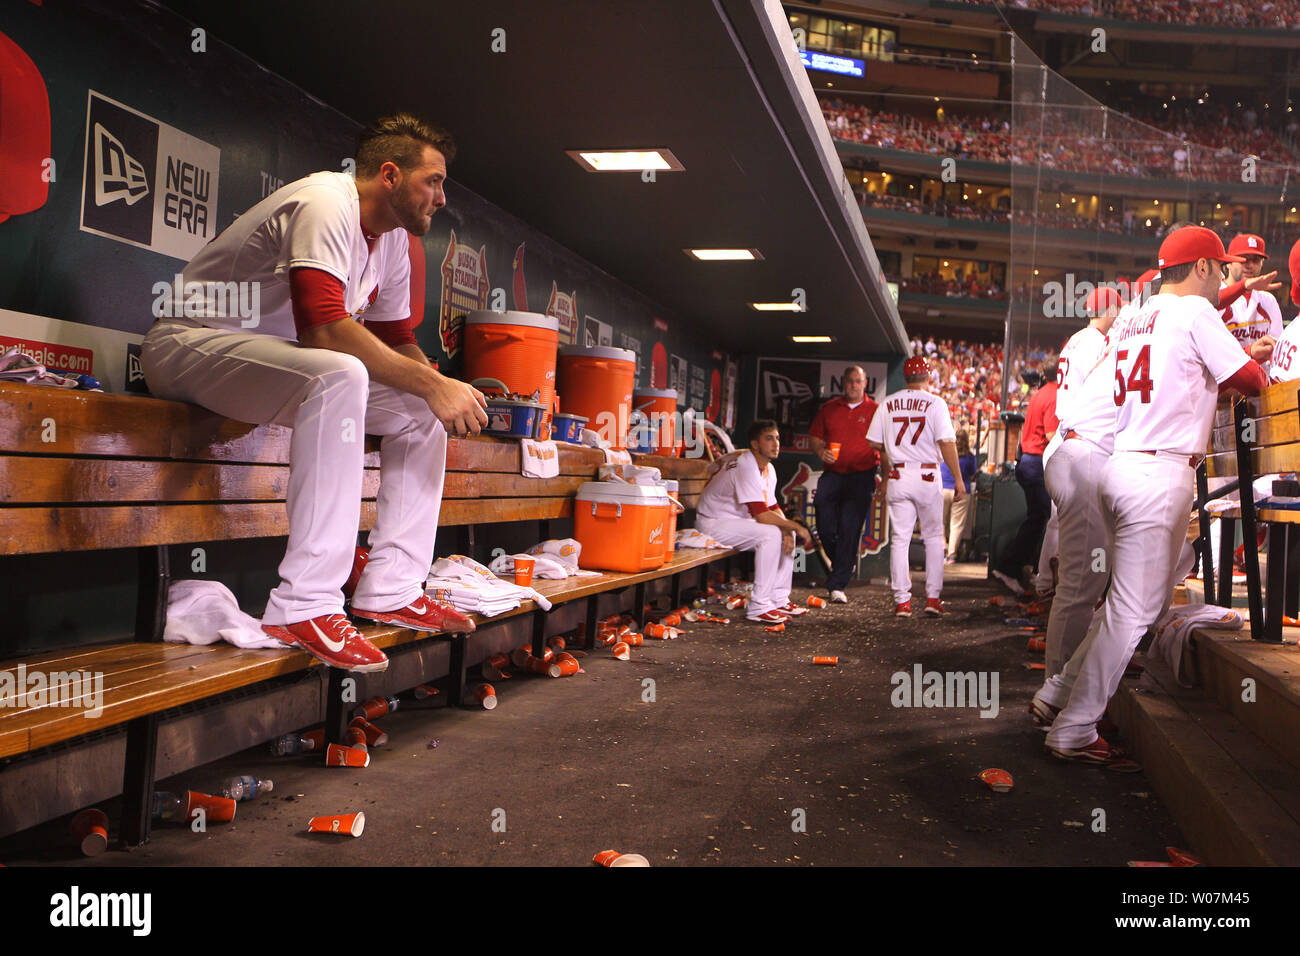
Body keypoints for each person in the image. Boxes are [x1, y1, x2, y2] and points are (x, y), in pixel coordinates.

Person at [142, 114, 488, 673]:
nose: (442, 197)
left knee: (418, 411)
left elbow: (396, 336)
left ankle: (393, 588)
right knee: (339, 372)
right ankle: (304, 603)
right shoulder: (327, 201)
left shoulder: (394, 240)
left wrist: (440, 389)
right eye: (434, 180)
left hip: (272, 367)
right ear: (391, 175)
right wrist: (434, 382)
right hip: (192, 345)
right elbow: (324, 328)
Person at [1039, 226, 1269, 767]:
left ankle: (1056, 693)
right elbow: (1253, 377)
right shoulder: (1193, 313)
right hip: (1157, 472)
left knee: (1124, 600)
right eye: (1221, 269)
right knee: (1130, 611)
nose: (1224, 279)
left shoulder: (1135, 316)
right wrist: (1246, 360)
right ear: (1206, 268)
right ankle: (1073, 728)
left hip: (1122, 464)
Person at [867, 356, 965, 617]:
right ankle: (932, 599)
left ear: (905, 378)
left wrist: (887, 477)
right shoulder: (935, 402)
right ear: (928, 377)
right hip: (926, 475)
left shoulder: (887, 403)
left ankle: (902, 602)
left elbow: (877, 446)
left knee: (900, 540)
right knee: (933, 537)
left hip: (898, 475)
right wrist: (958, 478)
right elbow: (946, 442)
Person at [695, 420, 813, 625]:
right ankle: (759, 606)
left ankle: (778, 598)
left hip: (736, 523)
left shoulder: (769, 469)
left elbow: (773, 507)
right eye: (769, 438)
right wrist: (796, 527)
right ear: (755, 444)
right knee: (771, 534)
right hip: (712, 523)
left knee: (785, 533)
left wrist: (788, 530)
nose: (776, 443)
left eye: (777, 438)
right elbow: (761, 515)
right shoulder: (745, 464)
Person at [808, 366, 880, 603]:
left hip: (862, 475)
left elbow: (884, 443)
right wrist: (821, 451)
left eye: (857, 381)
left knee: (850, 527)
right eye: (849, 381)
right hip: (833, 473)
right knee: (824, 522)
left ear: (865, 383)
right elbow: (815, 437)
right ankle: (843, 563)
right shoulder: (829, 409)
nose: (853, 385)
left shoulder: (875, 410)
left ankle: (837, 585)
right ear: (843, 383)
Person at [992, 362, 1058, 595]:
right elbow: (1051, 435)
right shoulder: (1054, 394)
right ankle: (1012, 568)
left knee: (1039, 518)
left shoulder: (1040, 393)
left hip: (1028, 460)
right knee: (1046, 518)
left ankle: (1021, 568)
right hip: (1037, 461)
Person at [942, 429, 977, 564]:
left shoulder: (946, 453)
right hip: (962, 491)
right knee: (956, 524)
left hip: (943, 489)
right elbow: (972, 475)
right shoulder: (970, 457)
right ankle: (951, 554)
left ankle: (941, 547)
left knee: (940, 522)